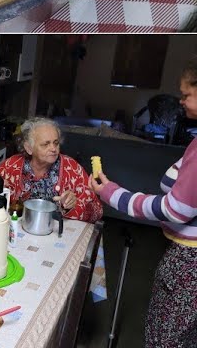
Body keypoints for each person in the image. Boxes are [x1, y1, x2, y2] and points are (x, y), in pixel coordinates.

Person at [91, 57, 197, 348]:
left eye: (186, 94)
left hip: (189, 264)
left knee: (166, 339)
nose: (181, 100)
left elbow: (175, 209)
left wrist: (113, 194)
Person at [0, 117, 102, 222]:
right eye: (45, 144)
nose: (53, 149)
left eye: (56, 143)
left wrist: (73, 206)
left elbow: (97, 212)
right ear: (29, 148)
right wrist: (0, 193)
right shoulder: (11, 166)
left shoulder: (72, 169)